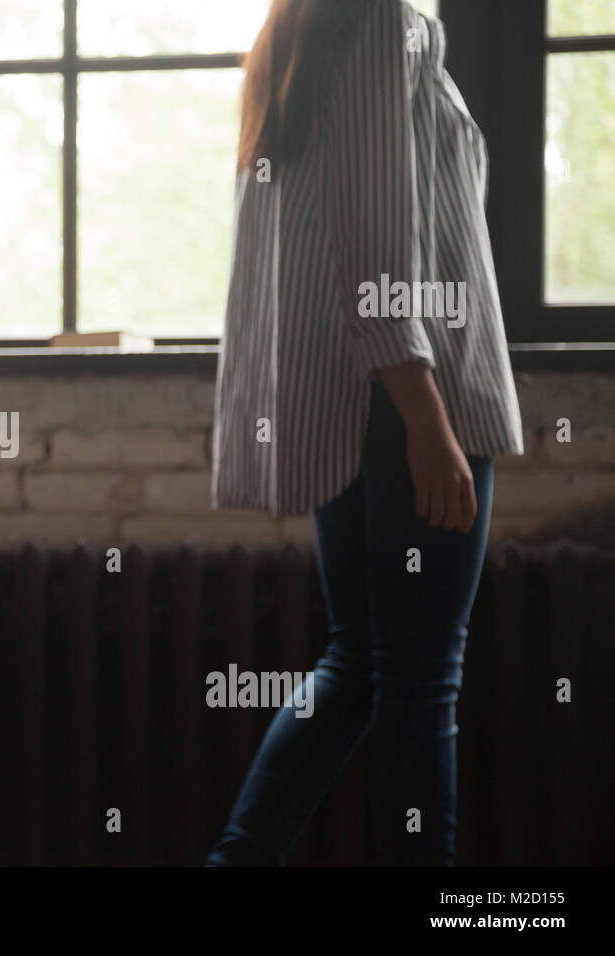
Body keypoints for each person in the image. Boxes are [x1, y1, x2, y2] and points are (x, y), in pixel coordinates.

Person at [208, 0, 523, 865]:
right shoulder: (383, 23)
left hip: (361, 403)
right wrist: (428, 419)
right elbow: (379, 243)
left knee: (361, 668)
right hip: (404, 399)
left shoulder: (305, 32)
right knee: (421, 683)